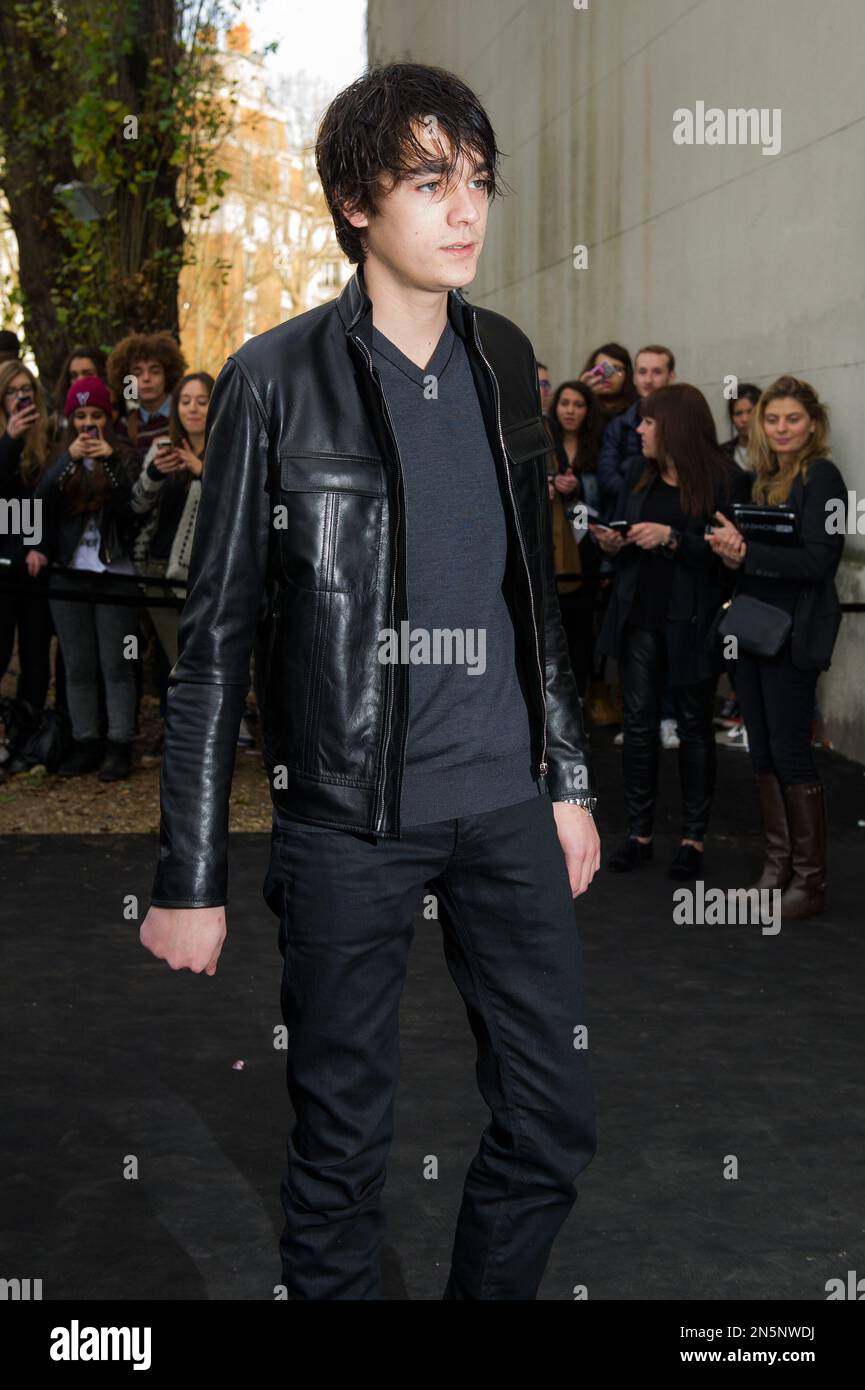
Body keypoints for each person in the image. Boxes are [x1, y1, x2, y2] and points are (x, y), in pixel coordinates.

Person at [139, 59, 600, 1301]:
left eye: (480, 182)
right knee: (340, 1160)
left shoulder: (504, 357)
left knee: (553, 1124)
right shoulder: (271, 378)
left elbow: (531, 602)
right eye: (428, 180)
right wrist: (190, 876)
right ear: (356, 200)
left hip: (505, 805)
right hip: (346, 821)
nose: (465, 210)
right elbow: (215, 645)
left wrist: (565, 777)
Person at [593, 383, 752, 879]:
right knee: (638, 726)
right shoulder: (638, 473)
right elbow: (618, 527)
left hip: (695, 622)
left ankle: (693, 838)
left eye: (647, 422)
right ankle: (638, 834)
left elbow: (732, 556)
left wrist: (673, 540)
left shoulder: (726, 479)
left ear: (674, 427)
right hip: (639, 615)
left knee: (694, 727)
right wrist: (613, 543)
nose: (638, 430)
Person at [707, 377, 845, 920]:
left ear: (812, 422)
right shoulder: (767, 477)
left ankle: (808, 884)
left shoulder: (822, 477)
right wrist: (730, 552)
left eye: (792, 418)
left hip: (796, 635)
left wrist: (749, 555)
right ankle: (776, 870)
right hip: (756, 630)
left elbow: (819, 563)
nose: (781, 428)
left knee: (790, 754)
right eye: (772, 419)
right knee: (761, 752)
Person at [28, 376, 141, 780]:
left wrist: (109, 462)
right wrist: (68, 461)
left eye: (95, 415)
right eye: (81, 416)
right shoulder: (60, 457)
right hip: (69, 574)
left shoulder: (124, 454)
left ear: (107, 418)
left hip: (115, 574)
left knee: (117, 663)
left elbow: (133, 507)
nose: (88, 424)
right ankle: (85, 741)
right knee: (77, 665)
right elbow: (37, 503)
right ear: (70, 419)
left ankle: (120, 745)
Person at [0, 362, 53, 758]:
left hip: (33, 566)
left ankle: (28, 735)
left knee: (35, 654)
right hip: (1, 565)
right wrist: (8, 441)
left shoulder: (46, 439)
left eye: (27, 390)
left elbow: (39, 500)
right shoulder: (8, 440)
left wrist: (36, 544)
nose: (22, 397)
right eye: (12, 391)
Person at [544, 380, 604, 696]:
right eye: (565, 403)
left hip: (585, 548)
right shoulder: (543, 438)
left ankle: (580, 698)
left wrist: (575, 491)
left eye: (578, 404)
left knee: (581, 632)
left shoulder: (597, 445)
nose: (570, 410)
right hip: (552, 549)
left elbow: (601, 503)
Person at [106, 332, 187, 458]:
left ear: (167, 375)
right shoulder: (126, 426)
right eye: (137, 373)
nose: (146, 378)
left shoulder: (186, 413)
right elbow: (129, 474)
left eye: (155, 371)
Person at [721, 382, 760, 473]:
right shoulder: (723, 454)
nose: (744, 419)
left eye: (750, 412)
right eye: (738, 413)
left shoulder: (775, 449)